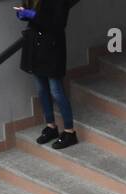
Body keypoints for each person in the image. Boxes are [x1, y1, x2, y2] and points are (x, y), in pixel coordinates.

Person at [16, 1, 80, 150]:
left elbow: (57, 24)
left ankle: (70, 132)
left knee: (56, 91)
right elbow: (33, 16)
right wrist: (23, 14)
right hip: (36, 46)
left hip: (51, 48)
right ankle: (51, 126)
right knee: (41, 89)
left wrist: (33, 15)